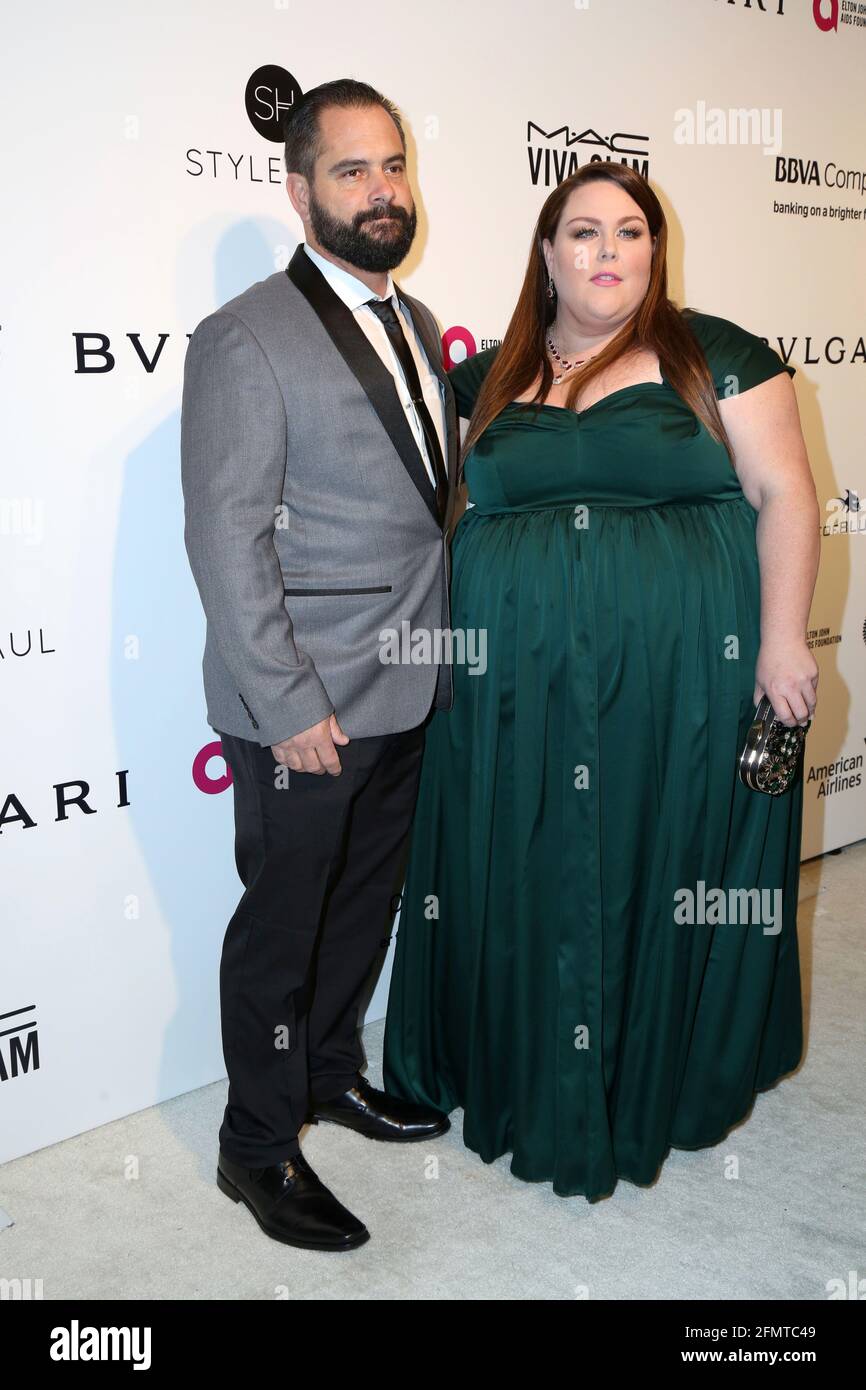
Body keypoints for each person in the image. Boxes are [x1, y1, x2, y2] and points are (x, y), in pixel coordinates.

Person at [382, 163, 819, 1202]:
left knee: (659, 860)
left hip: (685, 682)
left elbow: (785, 495)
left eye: (629, 231)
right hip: (511, 694)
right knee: (526, 863)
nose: (607, 251)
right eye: (582, 232)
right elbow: (420, 520)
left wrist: (778, 643)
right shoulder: (478, 380)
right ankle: (524, 1066)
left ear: (653, 252)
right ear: (545, 254)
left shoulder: (716, 356)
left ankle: (659, 1077)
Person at [180, 78, 457, 1250]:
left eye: (390, 165)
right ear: (299, 192)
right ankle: (255, 1145)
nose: (379, 189)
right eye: (350, 170)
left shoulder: (411, 317)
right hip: (305, 702)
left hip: (406, 680)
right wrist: (287, 702)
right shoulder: (245, 335)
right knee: (284, 924)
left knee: (362, 904)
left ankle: (329, 1073)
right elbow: (224, 532)